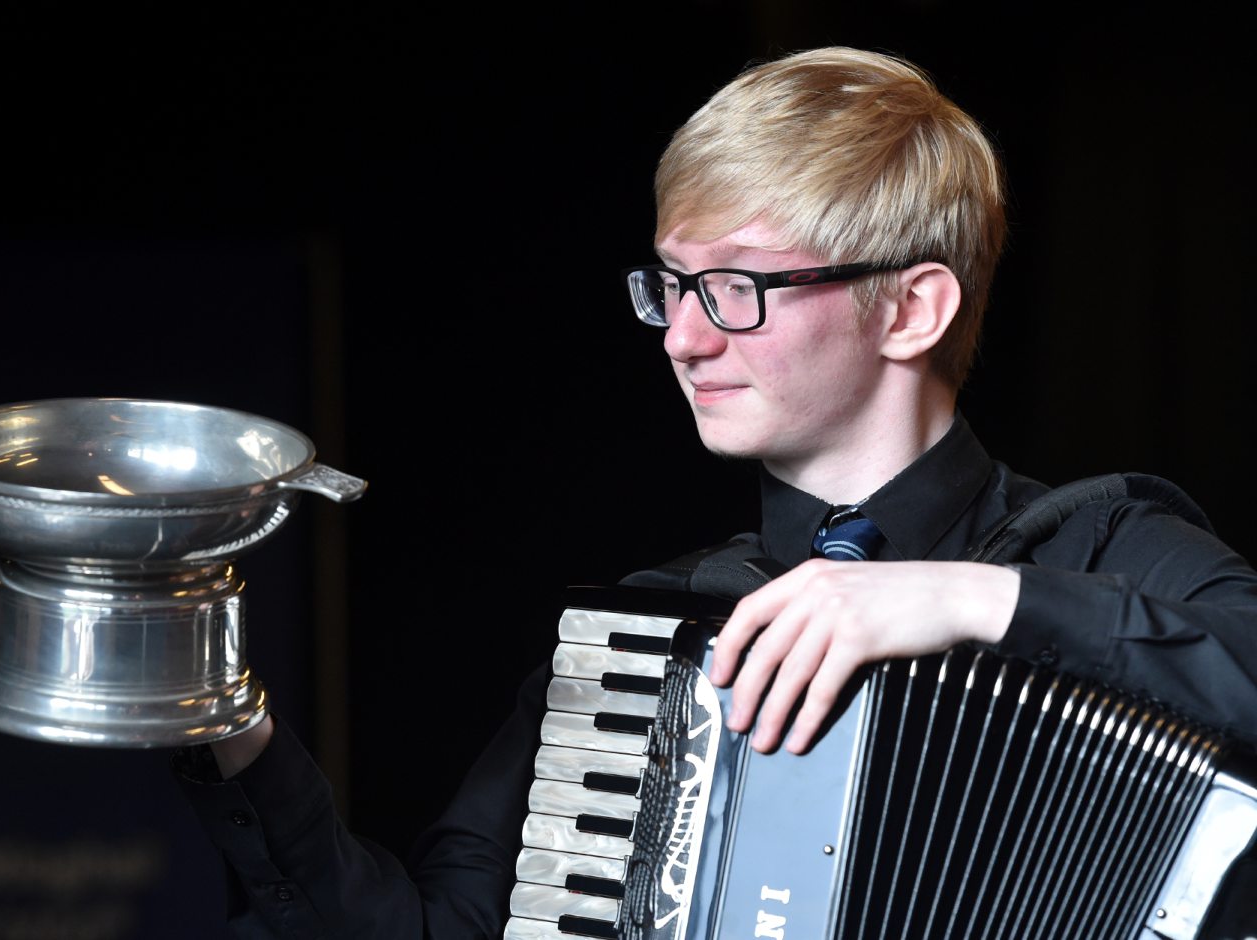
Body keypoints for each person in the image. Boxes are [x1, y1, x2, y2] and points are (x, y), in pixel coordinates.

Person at [173, 46, 1257, 938]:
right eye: (674, 284)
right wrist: (222, 718)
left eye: (737, 285)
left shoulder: (1101, 549)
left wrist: (968, 599)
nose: (683, 338)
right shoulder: (650, 644)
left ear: (911, 310)